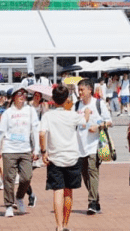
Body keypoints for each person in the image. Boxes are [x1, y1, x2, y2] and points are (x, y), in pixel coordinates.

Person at [39, 84, 86, 231]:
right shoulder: (73, 115)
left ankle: (59, 226)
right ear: (67, 99)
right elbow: (84, 122)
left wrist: (43, 151)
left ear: (53, 99)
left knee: (57, 191)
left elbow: (42, 133)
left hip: (55, 158)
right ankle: (66, 224)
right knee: (68, 192)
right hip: (72, 157)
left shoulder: (48, 115)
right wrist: (88, 114)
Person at [0, 86, 41, 217]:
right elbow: (1, 132)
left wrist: (36, 148)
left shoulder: (30, 110)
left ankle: (19, 197)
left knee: (27, 177)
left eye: (24, 93)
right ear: (14, 96)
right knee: (9, 178)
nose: (22, 95)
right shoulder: (8, 113)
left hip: (25, 149)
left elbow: (35, 130)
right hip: (9, 149)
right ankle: (8, 205)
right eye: (19, 93)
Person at [77, 81, 112, 215]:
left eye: (82, 90)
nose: (80, 93)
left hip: (95, 145)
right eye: (79, 90)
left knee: (93, 172)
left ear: (90, 90)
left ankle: (91, 202)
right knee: (85, 175)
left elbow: (109, 121)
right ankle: (96, 201)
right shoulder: (76, 105)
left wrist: (97, 127)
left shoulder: (98, 103)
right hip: (80, 146)